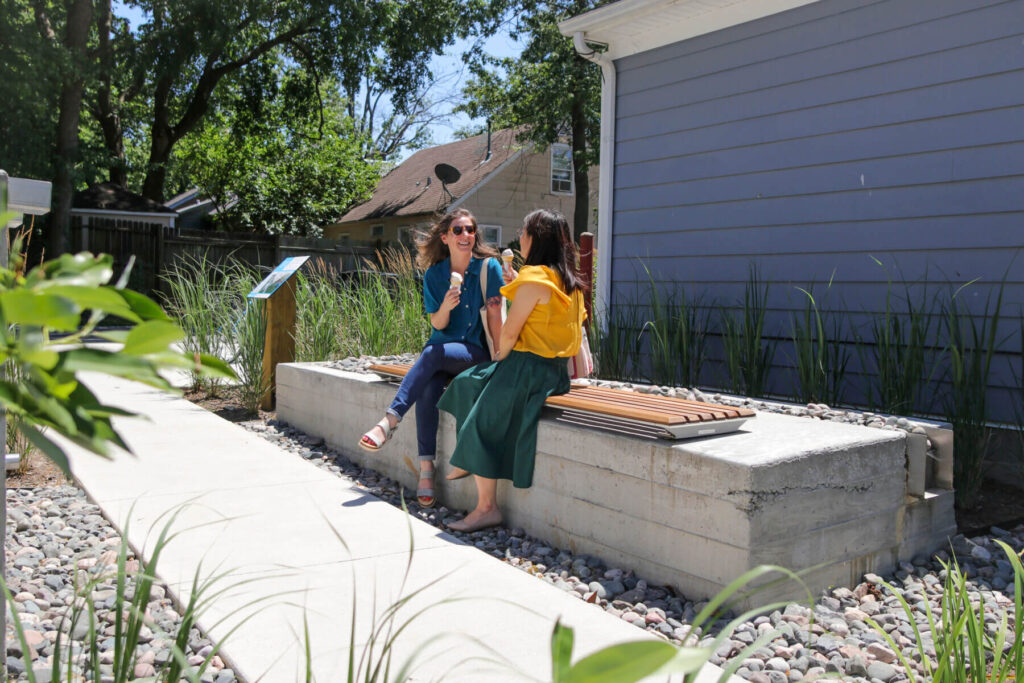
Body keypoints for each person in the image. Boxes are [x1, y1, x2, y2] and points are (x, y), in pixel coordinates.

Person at [437, 209, 586, 532]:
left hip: (527, 368)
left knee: (481, 420)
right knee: (465, 383)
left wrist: (501, 357)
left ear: (537, 239)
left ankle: (487, 507)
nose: (520, 236)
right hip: (554, 370)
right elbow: (550, 318)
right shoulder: (568, 281)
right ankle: (469, 459)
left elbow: (509, 332)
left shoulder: (534, 279)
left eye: (524, 230)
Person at [359, 209, 504, 508]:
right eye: (458, 230)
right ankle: (427, 469)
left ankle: (390, 420)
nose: (466, 235)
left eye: (470, 230)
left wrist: (501, 360)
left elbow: (494, 318)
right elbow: (437, 325)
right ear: (445, 236)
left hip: (474, 352)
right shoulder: (434, 275)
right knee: (428, 384)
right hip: (440, 352)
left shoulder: (489, 268)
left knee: (431, 355)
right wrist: (448, 305)